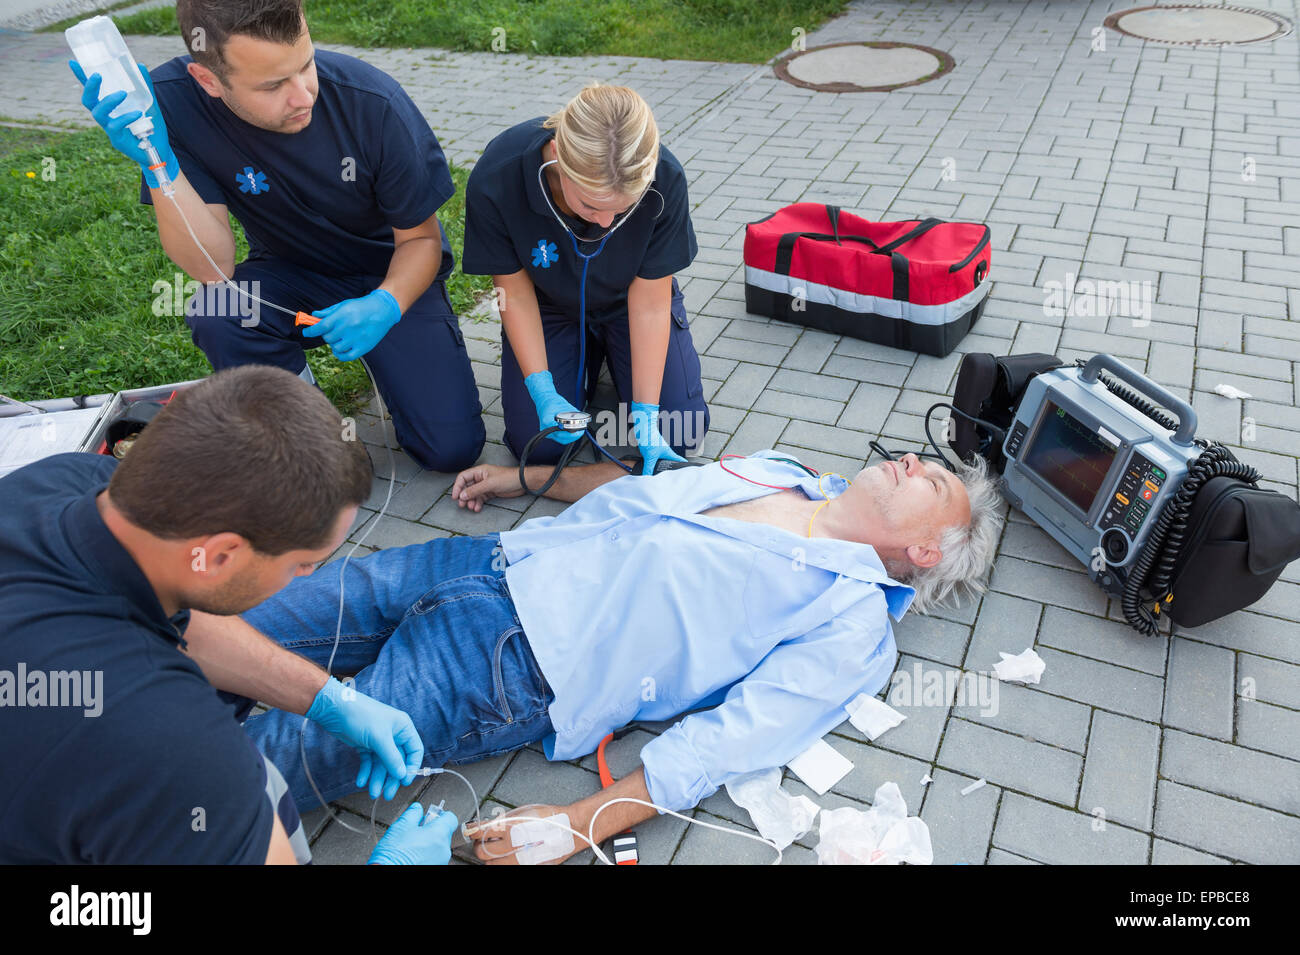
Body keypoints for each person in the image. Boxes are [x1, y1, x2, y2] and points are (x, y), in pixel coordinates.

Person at [222, 444, 1001, 864]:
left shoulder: (853, 622)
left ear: (926, 548)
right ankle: (120, 674)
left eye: (930, 479)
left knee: (260, 762)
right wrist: (519, 478)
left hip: (509, 665)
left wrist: (574, 826)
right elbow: (642, 491)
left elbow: (728, 740)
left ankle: (110, 813)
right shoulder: (787, 471)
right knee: (230, 616)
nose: (910, 460)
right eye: (918, 457)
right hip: (484, 559)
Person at [0, 366, 456, 864]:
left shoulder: (67, 480)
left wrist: (326, 698)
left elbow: (179, 616)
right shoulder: (176, 750)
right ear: (219, 555)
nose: (306, 575)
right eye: (304, 562)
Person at [68, 0, 484, 472]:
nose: (304, 95)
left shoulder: (371, 102)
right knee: (218, 308)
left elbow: (422, 241)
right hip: (290, 272)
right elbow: (212, 268)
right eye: (273, 85)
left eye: (305, 65)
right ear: (208, 81)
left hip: (392, 274)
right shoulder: (168, 106)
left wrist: (385, 304)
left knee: (450, 451)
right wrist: (156, 161)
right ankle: (314, 440)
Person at [461, 84, 709, 476]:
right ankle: (588, 355)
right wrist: (542, 389)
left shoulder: (665, 177)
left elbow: (649, 302)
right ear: (558, 156)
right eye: (591, 206)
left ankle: (606, 352)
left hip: (629, 305)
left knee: (679, 434)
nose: (606, 223)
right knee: (538, 446)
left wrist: (645, 414)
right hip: (546, 305)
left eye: (622, 209)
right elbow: (514, 294)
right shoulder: (500, 175)